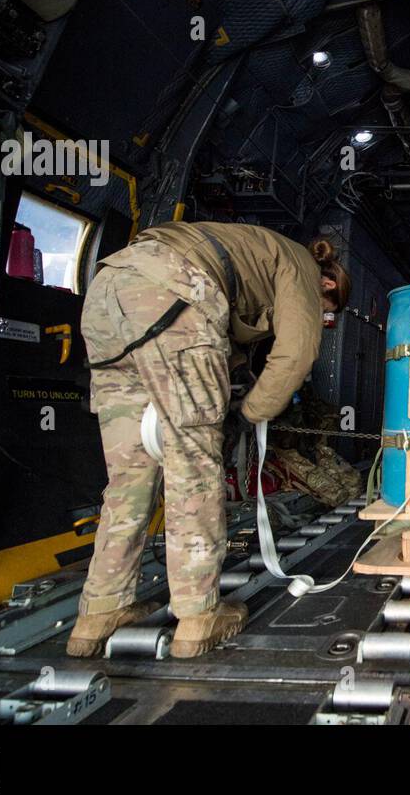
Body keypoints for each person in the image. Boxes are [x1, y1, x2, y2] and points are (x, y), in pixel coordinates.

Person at [67, 222, 350, 658]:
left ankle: (102, 609)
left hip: (108, 294)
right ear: (327, 283)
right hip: (172, 291)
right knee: (192, 468)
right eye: (328, 309)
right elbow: (296, 351)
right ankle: (199, 615)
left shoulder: (255, 258)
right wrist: (254, 412)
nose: (323, 315)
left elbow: (225, 340)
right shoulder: (300, 265)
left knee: (129, 475)